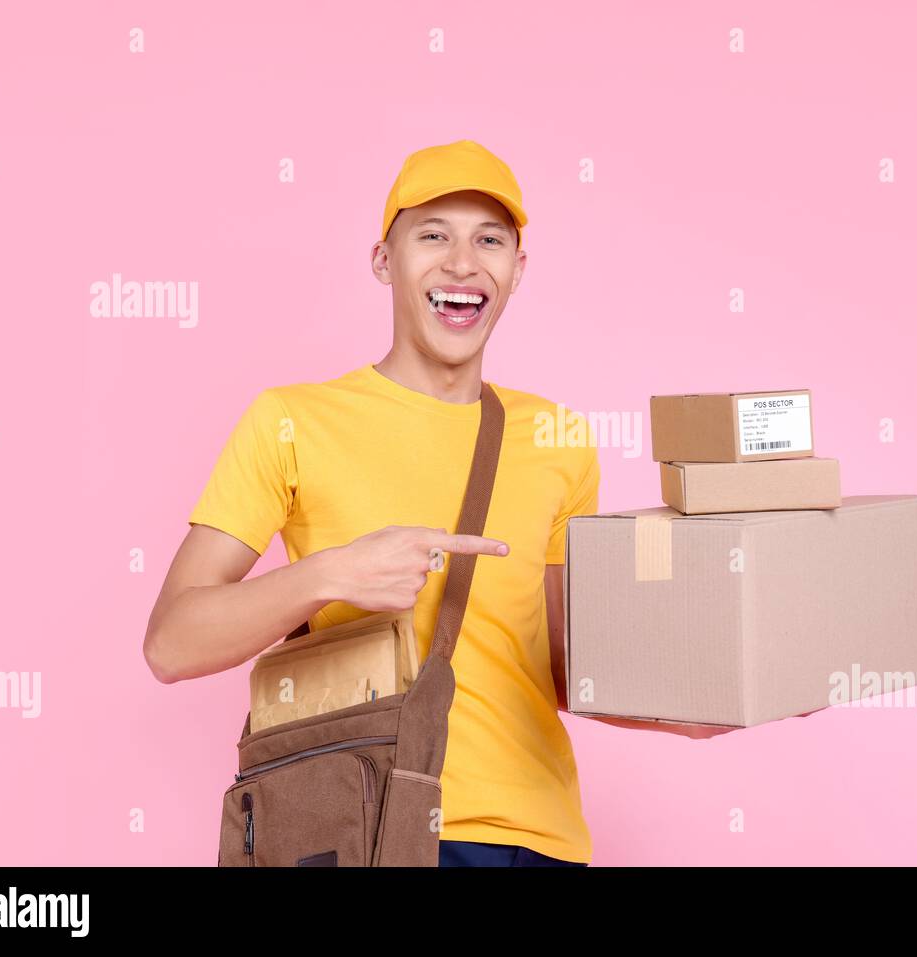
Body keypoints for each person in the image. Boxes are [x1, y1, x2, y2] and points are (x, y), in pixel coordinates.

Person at [142, 139, 726, 869]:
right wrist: (329, 575)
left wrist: (698, 707)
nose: (461, 262)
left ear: (518, 269)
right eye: (433, 236)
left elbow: (565, 663)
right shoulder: (290, 421)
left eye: (489, 239)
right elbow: (171, 642)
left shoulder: (558, 437)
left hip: (536, 840)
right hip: (368, 826)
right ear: (385, 261)